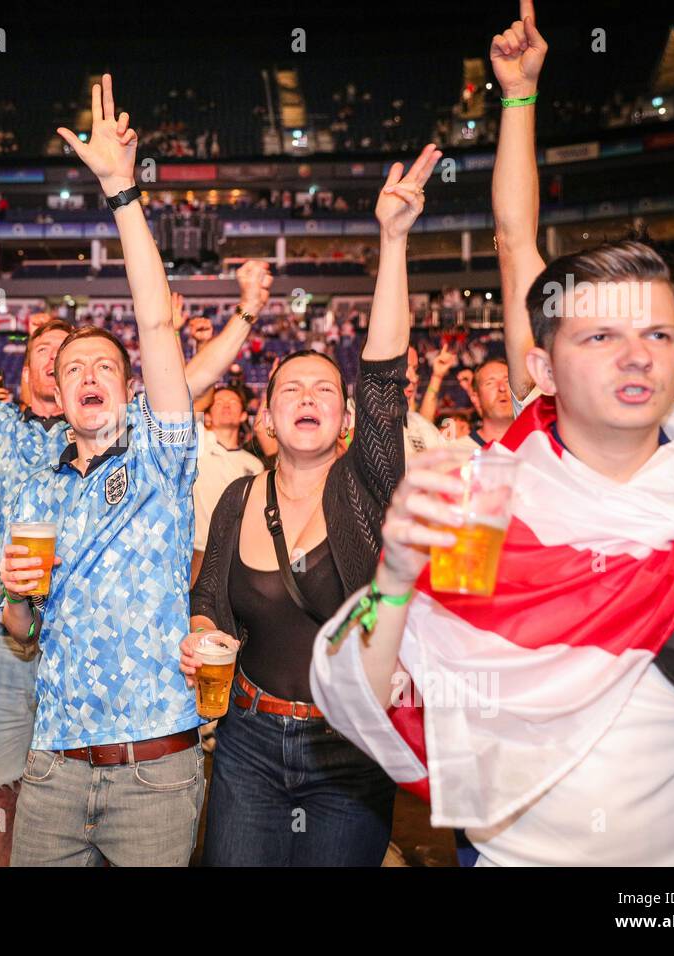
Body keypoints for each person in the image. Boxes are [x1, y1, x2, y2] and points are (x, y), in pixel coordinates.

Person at [311, 3, 674, 866]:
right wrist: (519, 100)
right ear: (544, 365)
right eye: (600, 336)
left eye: (659, 334)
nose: (635, 356)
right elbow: (381, 679)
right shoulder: (494, 500)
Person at [0, 259, 272, 866]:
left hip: (124, 691)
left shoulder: (133, 439)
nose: (75, 366)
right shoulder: (0, 429)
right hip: (17, 631)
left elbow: (182, 377)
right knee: (3, 780)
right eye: (57, 356)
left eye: (95, 361)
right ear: (41, 372)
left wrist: (245, 312)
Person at [179, 143, 440, 866]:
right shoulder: (236, 496)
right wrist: (202, 632)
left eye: (324, 388)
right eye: (289, 388)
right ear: (264, 419)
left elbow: (384, 374)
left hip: (350, 745)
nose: (306, 398)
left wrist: (393, 239)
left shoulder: (368, 484)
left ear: (346, 418)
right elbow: (209, 600)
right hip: (248, 744)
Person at [0, 74, 204, 866]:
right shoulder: (39, 487)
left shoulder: (161, 454)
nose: (86, 373)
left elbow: (154, 319)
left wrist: (121, 192)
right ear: (56, 388)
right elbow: (22, 632)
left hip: (149, 772)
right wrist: (18, 600)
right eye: (72, 366)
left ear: (128, 388)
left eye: (103, 367)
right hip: (50, 773)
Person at [191, 384, 263, 586]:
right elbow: (191, 405)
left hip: (237, 557)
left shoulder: (254, 464)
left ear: (242, 416)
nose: (226, 406)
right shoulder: (196, 445)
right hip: (198, 553)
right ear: (208, 416)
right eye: (219, 402)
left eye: (233, 402)